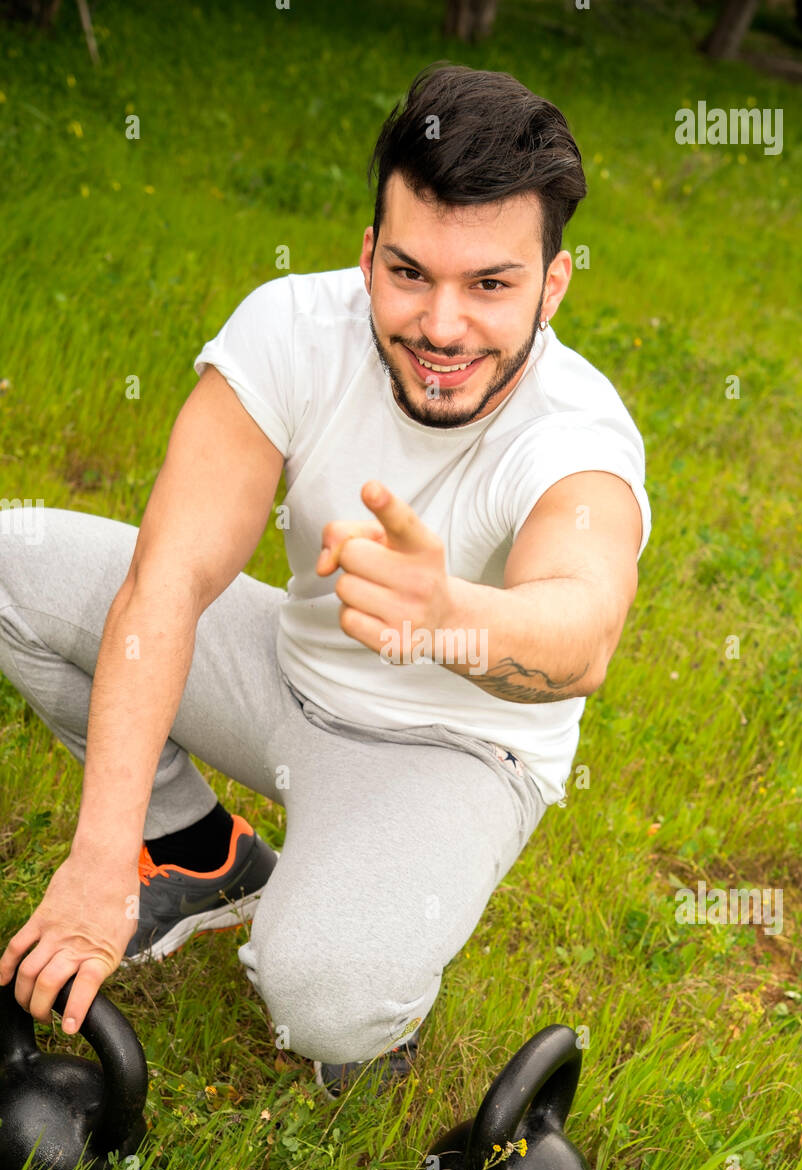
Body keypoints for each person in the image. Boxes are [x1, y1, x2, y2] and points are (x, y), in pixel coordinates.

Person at [0, 63, 650, 1099]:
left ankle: (363, 972)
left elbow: (581, 634)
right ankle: (195, 852)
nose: (443, 326)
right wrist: (98, 852)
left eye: (490, 285)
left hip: (454, 752)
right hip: (284, 676)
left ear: (552, 284)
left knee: (321, 1000)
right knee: (10, 566)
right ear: (366, 256)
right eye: (409, 274)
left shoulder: (576, 436)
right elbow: (165, 581)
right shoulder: (292, 330)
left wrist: (451, 619)